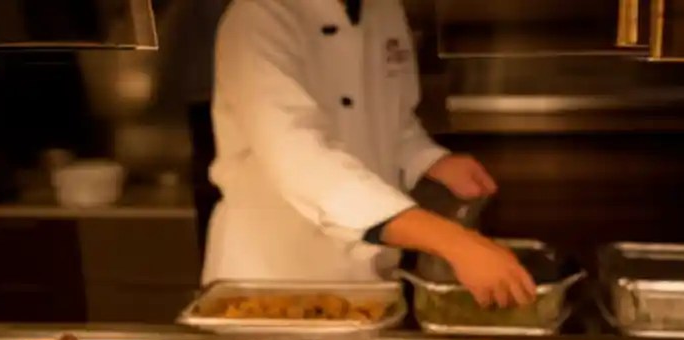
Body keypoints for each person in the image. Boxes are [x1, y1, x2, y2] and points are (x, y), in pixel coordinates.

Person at [204, 0, 534, 307]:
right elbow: (301, 161)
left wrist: (430, 159)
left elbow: (394, 120)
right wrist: (454, 242)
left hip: (369, 277)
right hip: (272, 279)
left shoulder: (383, 8)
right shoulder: (258, 18)